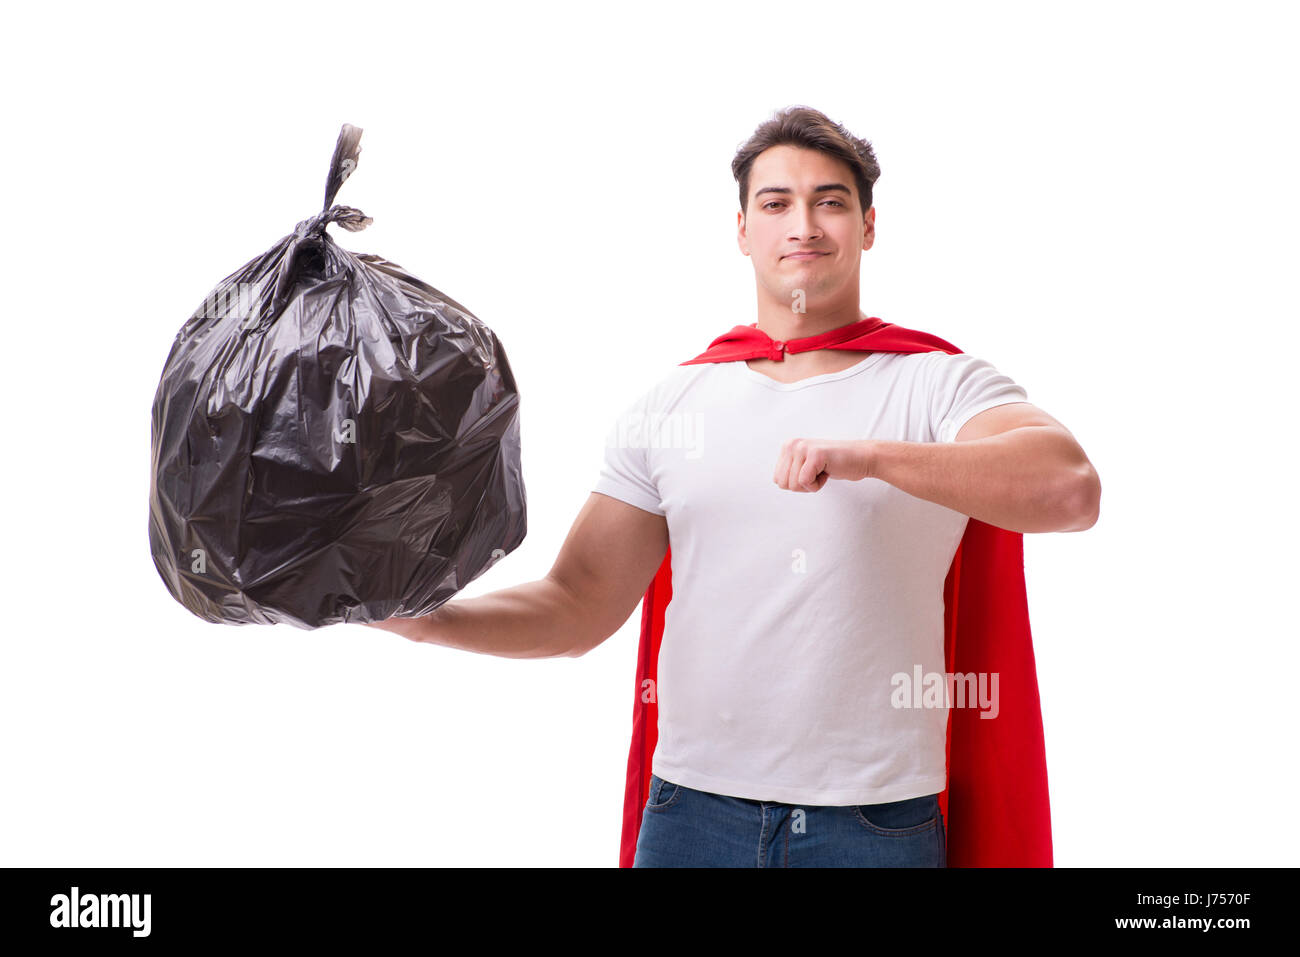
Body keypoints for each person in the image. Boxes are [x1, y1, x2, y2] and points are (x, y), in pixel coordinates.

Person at [367, 105, 1102, 868]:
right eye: (777, 203)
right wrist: (428, 621)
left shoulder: (938, 385)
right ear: (743, 231)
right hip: (692, 818)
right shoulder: (673, 406)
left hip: (873, 827)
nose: (804, 225)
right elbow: (576, 604)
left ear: (868, 226)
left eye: (830, 201)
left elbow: (1070, 487)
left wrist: (872, 457)